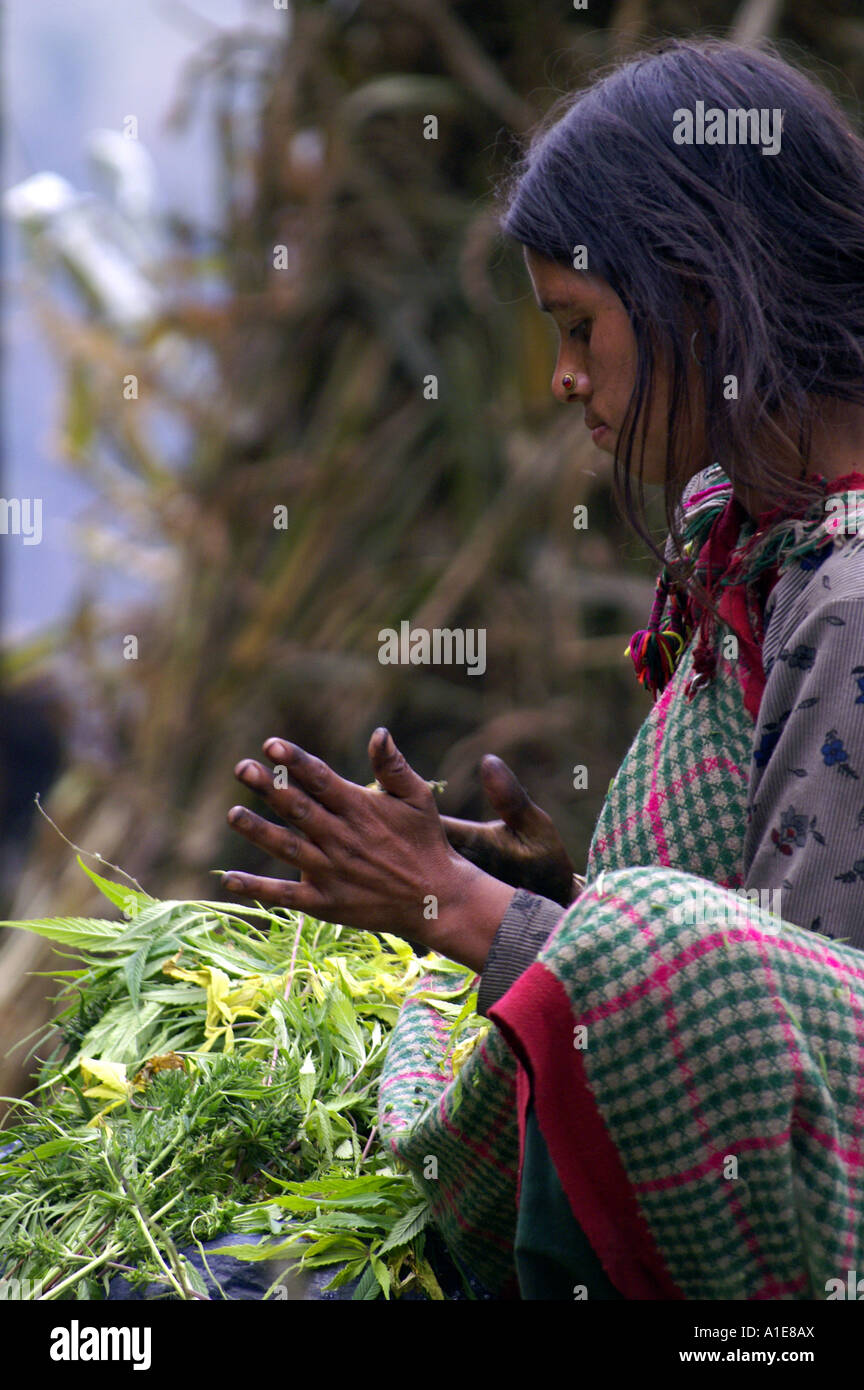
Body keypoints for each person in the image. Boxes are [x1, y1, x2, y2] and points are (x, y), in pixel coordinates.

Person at [221, 37, 864, 1300]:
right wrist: (554, 896)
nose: (565, 379)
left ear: (701, 291)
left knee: (647, 933)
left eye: (580, 327)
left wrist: (465, 910)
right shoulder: (757, 553)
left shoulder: (850, 596)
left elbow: (795, 1048)